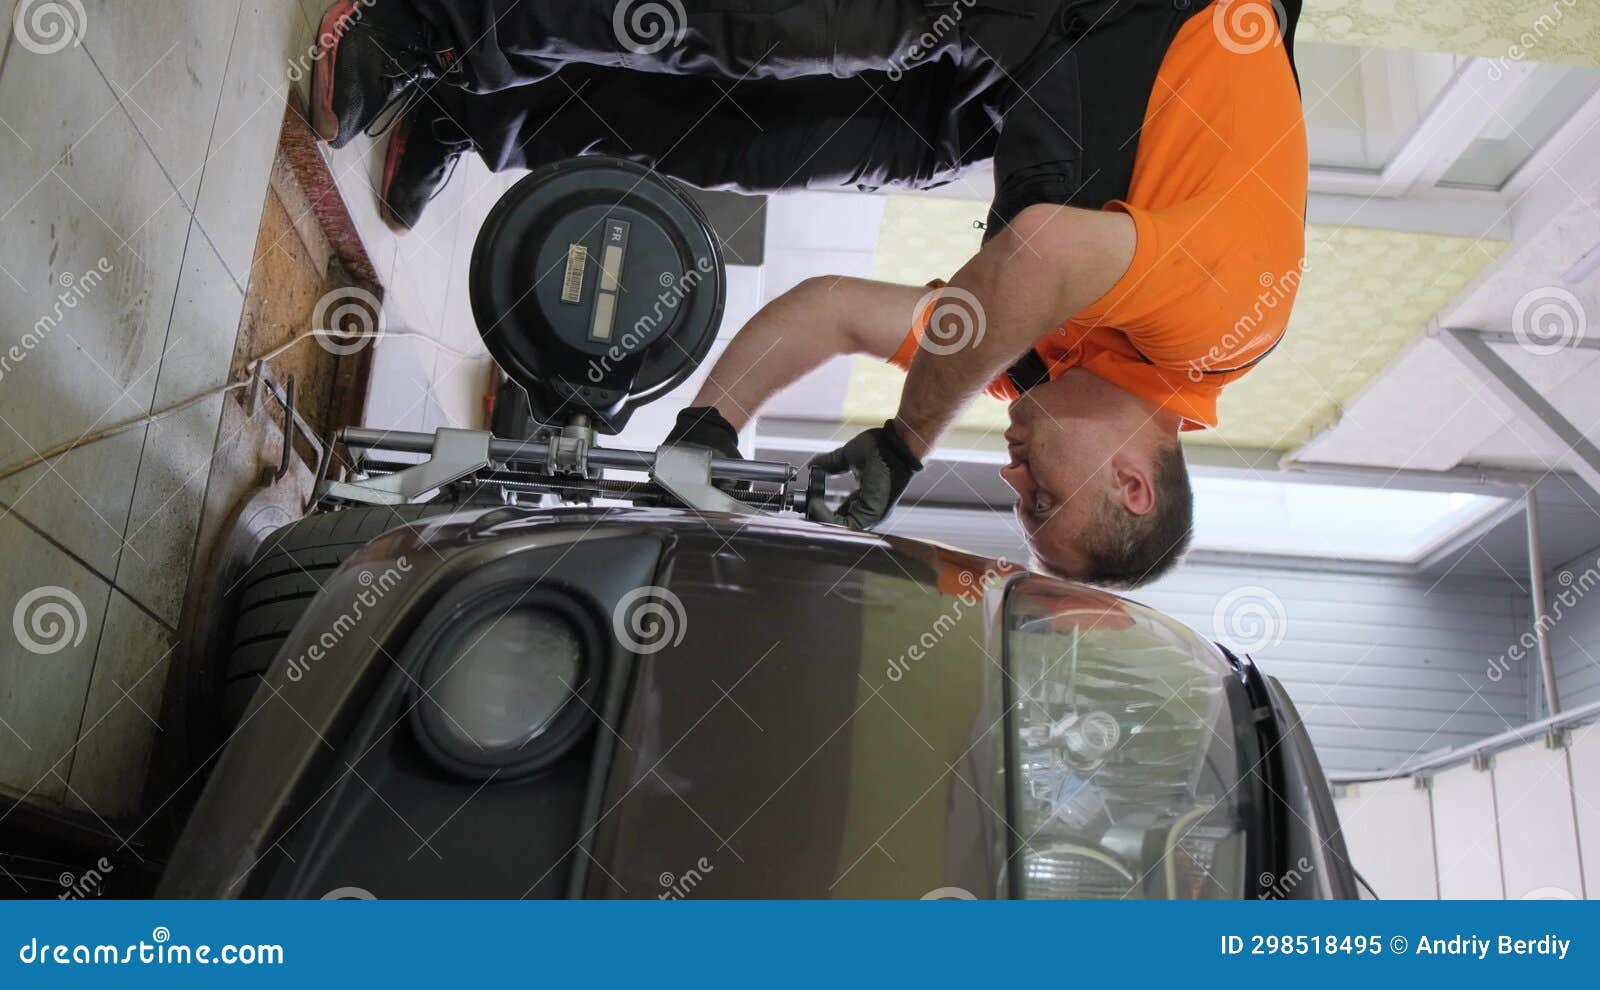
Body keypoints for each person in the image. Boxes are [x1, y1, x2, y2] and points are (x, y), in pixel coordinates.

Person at [312, 0, 1308, 587]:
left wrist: (709, 426)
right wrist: (902, 441)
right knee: (771, 22)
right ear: (1133, 484)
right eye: (1040, 497)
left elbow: (833, 310)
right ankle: (433, 22)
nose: (1011, 480)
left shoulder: (1053, 364)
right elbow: (1042, 246)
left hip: (1046, 64)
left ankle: (469, 108)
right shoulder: (1224, 321)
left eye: (1020, 507)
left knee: (753, 137)